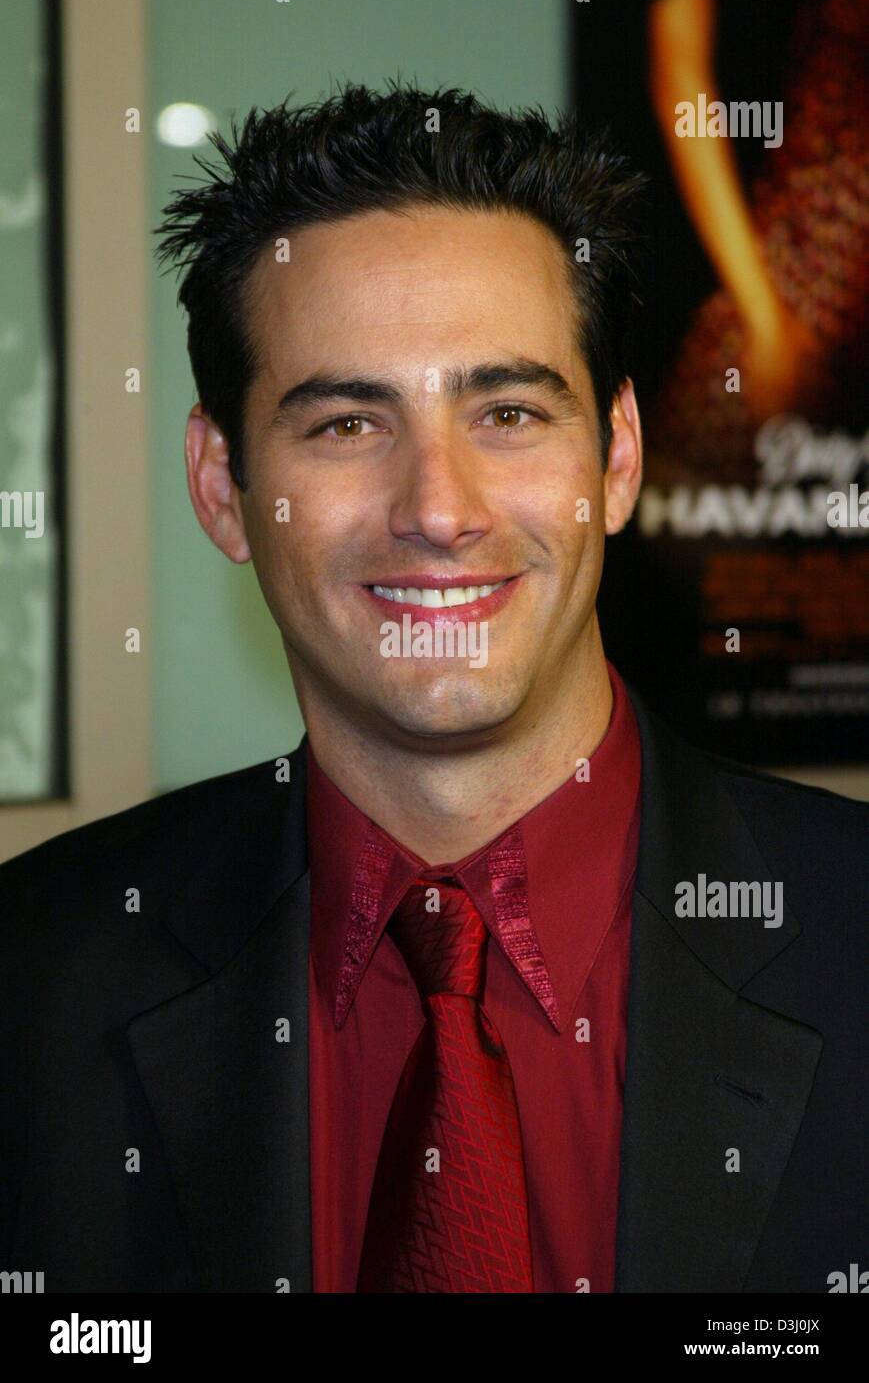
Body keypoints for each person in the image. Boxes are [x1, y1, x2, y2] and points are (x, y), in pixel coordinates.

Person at [1, 84, 865, 1294]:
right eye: (348, 424)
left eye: (507, 412)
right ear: (218, 485)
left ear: (615, 459)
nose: (440, 509)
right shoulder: (34, 982)